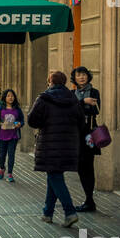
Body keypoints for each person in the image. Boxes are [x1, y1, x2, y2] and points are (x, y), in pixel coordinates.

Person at [28, 71, 86, 228]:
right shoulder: (73, 99)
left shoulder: (44, 98)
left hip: (50, 145)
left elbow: (32, 120)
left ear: (50, 82)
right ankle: (47, 213)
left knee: (55, 176)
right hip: (69, 145)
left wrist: (44, 122)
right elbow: (82, 123)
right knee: (53, 176)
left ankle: (70, 212)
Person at [72, 66, 102, 212]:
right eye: (78, 75)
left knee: (88, 165)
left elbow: (95, 110)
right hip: (75, 133)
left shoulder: (94, 92)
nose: (82, 77)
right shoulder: (72, 93)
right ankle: (88, 200)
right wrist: (84, 102)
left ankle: (89, 200)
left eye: (84, 75)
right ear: (75, 78)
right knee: (79, 166)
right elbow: (70, 110)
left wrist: (83, 105)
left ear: (88, 76)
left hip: (89, 133)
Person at [0, 89, 24, 183]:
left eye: (12, 96)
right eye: (8, 96)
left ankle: (10, 173)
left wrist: (19, 124)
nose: (11, 98)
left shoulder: (17, 109)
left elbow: (22, 120)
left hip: (13, 136)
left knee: (11, 155)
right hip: (2, 135)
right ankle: (2, 168)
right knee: (2, 155)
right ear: (5, 97)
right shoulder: (0, 109)